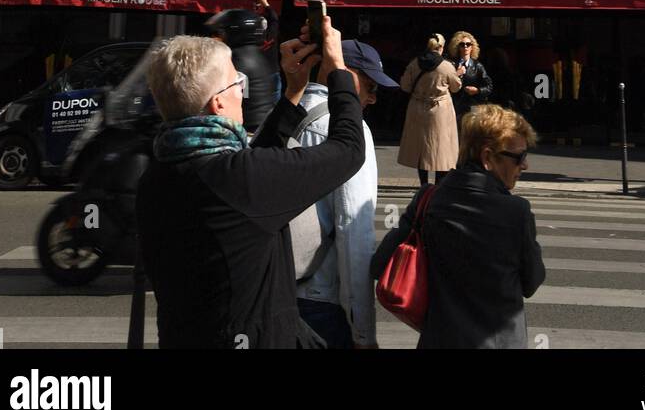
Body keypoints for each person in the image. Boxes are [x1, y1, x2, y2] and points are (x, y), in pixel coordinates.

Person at [135, 18, 365, 349]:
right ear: (218, 102)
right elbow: (349, 151)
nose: (242, 91)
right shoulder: (237, 178)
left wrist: (293, 92)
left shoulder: (158, 176)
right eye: (236, 83)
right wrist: (338, 71)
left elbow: (248, 182)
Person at [373, 103, 545, 349]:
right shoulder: (516, 212)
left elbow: (380, 264)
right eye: (519, 158)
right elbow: (532, 281)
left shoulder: (428, 200)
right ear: (487, 157)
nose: (524, 166)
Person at [293, 39, 398, 350]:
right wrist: (363, 332)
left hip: (274, 290)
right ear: (348, 75)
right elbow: (354, 231)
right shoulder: (349, 130)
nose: (373, 98)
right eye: (371, 86)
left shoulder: (283, 112)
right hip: (321, 299)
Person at [203, 6, 280, 133]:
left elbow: (233, 95)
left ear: (233, 33)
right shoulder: (256, 54)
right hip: (260, 125)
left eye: (221, 33)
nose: (218, 37)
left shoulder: (238, 59)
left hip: (247, 128)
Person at [397, 34, 461, 185]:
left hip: (417, 107)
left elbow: (405, 86)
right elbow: (456, 87)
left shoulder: (414, 63)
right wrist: (458, 75)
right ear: (441, 47)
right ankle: (439, 183)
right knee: (441, 148)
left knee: (421, 148)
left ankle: (423, 184)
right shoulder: (446, 66)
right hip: (440, 109)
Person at [448, 31, 493, 121]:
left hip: (473, 106)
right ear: (458, 47)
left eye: (468, 44)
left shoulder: (478, 66)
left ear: (472, 47)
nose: (465, 46)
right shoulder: (451, 64)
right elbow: (445, 84)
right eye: (462, 44)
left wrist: (477, 90)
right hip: (456, 106)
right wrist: (457, 74)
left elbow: (489, 87)